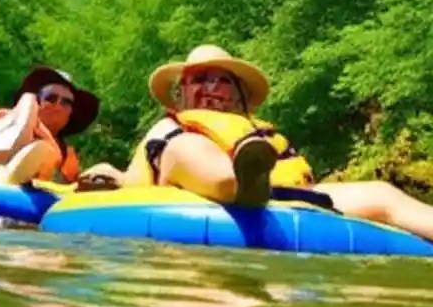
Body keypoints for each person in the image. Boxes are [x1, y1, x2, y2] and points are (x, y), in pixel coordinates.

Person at [109, 44, 433, 240]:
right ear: (180, 95)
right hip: (191, 181)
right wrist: (110, 173)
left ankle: (252, 180)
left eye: (223, 81)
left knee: (380, 192)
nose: (212, 86)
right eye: (200, 79)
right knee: (185, 149)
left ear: (242, 98)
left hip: (280, 195)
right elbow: (128, 180)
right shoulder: (173, 126)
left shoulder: (258, 132)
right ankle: (243, 182)